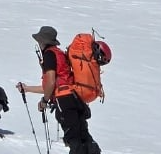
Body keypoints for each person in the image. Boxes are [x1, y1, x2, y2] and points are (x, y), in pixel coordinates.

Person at [17, 26, 100, 154]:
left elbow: (50, 82)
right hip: (74, 98)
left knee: (75, 142)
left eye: (39, 40)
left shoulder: (49, 55)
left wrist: (44, 101)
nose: (38, 43)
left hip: (64, 102)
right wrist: (27, 89)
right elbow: (53, 86)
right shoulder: (59, 54)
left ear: (43, 41)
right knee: (84, 139)